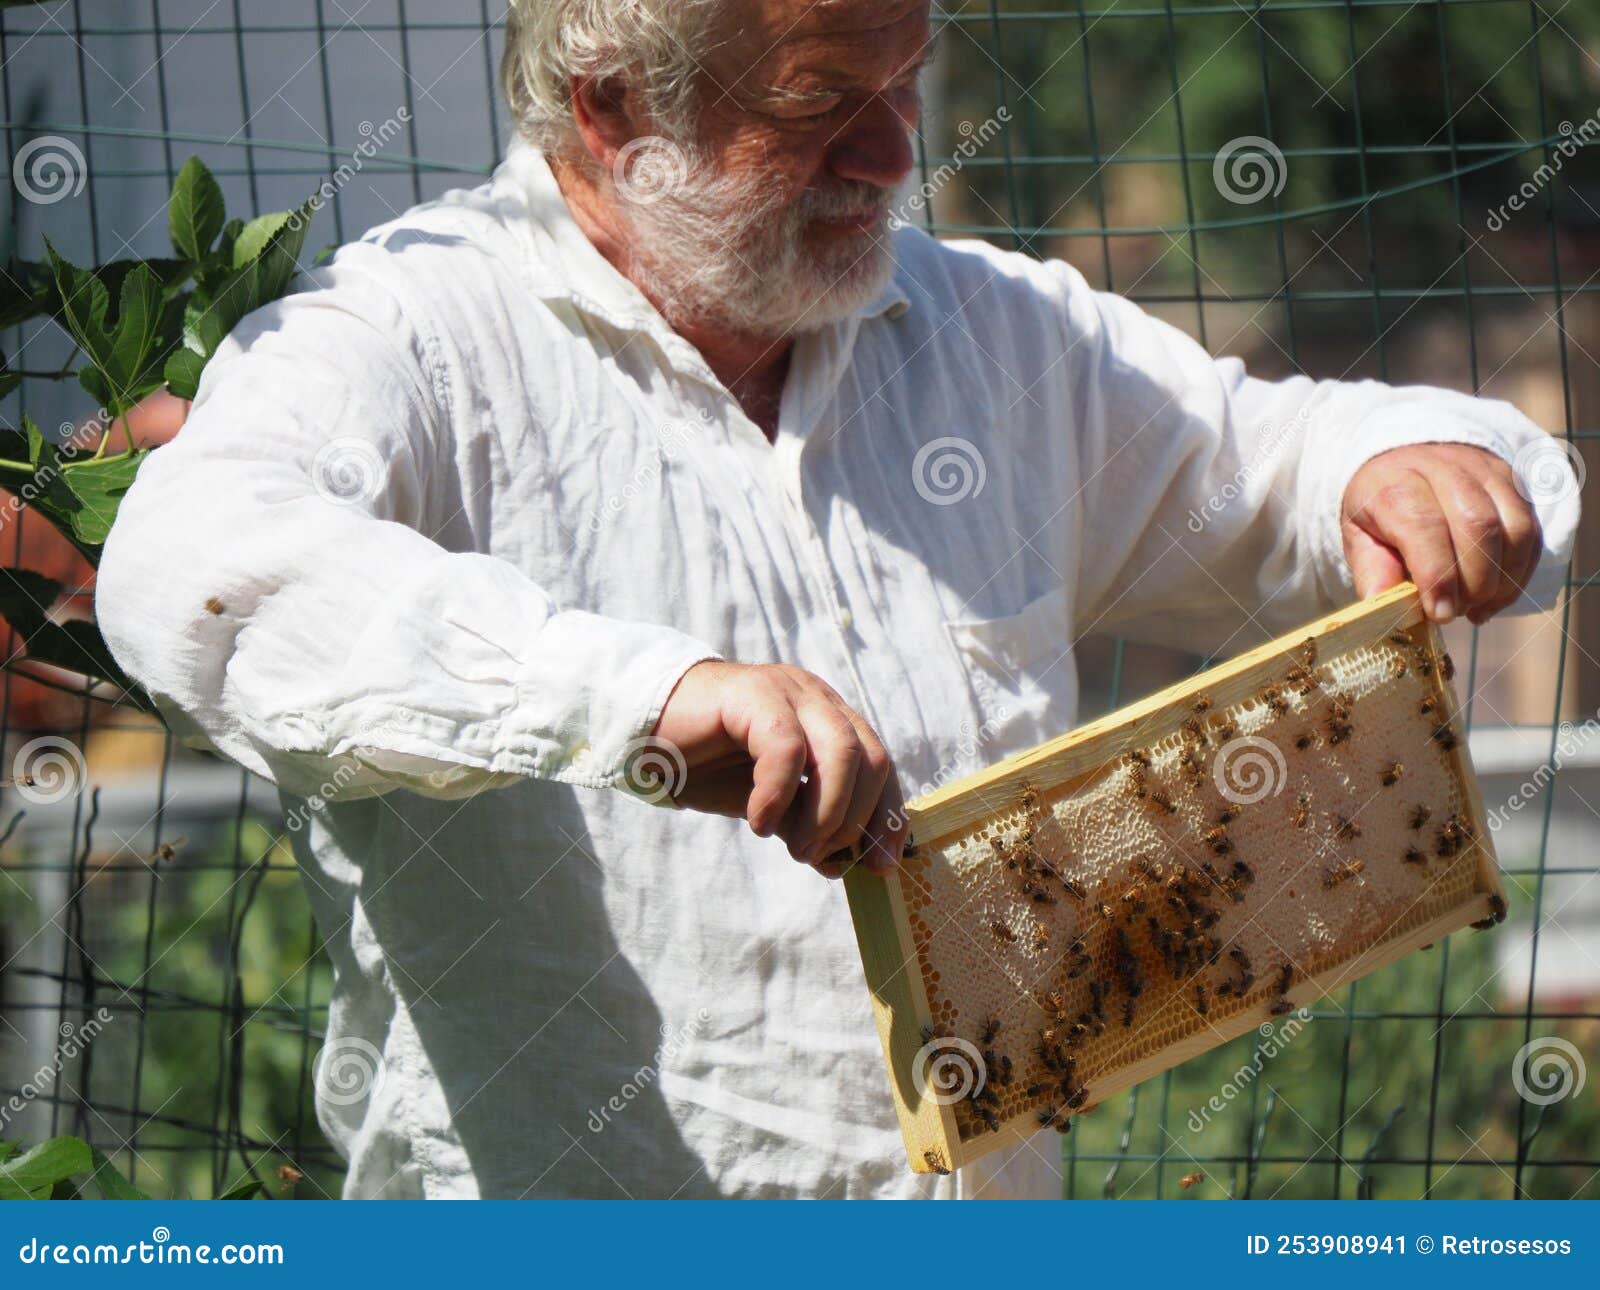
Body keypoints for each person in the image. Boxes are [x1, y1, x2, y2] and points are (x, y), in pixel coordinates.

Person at [94, 0, 1578, 1198]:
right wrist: (642, 698)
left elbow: (1269, 458)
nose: (889, 152)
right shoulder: (416, 331)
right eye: (816, 107)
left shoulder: (994, 336)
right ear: (612, 107)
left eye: (907, 81)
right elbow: (198, 566)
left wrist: (1410, 466)